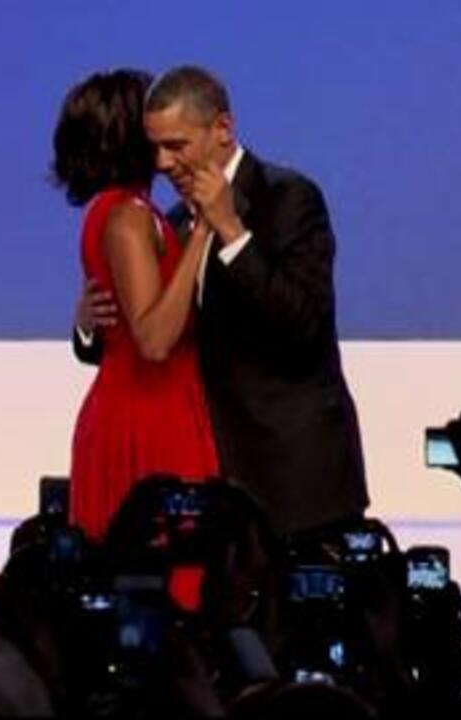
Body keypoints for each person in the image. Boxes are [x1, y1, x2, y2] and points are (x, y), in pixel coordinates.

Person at [75, 66, 368, 538]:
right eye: (155, 147)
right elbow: (162, 341)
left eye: (176, 146)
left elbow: (303, 324)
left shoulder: (288, 198)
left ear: (223, 130)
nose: (163, 163)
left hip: (294, 481)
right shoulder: (178, 222)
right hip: (215, 483)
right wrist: (88, 326)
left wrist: (232, 231)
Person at [52, 69, 220, 541]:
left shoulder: (133, 213)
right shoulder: (126, 216)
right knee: (158, 582)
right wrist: (206, 230)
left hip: (157, 408)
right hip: (147, 419)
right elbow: (153, 340)